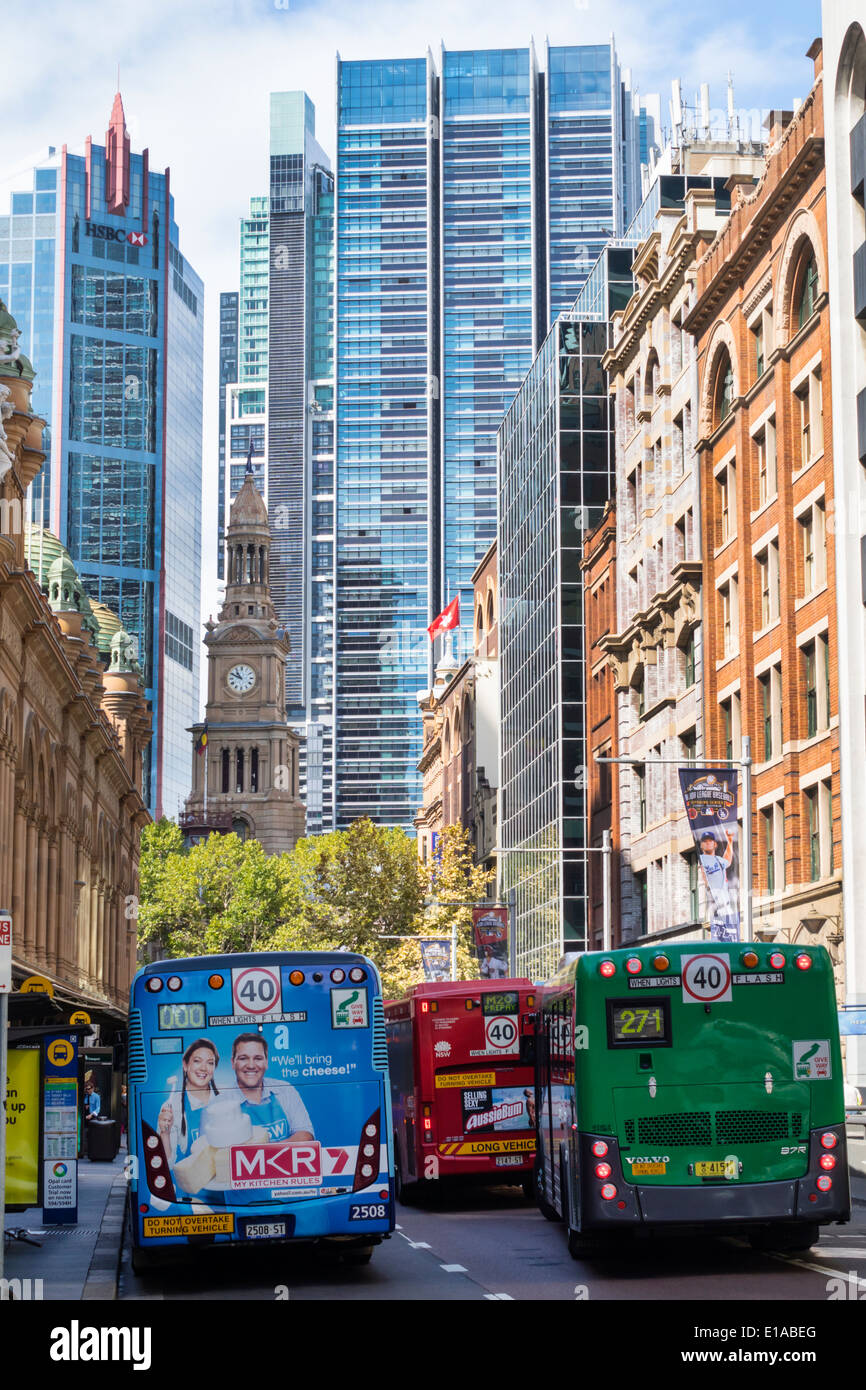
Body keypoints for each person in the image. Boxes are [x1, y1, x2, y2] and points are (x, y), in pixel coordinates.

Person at [228, 1033, 314, 1141]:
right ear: (233, 1063)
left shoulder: (285, 1090)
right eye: (243, 1058)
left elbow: (305, 1136)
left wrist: (265, 1154)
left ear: (266, 1062)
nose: (251, 1065)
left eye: (258, 1058)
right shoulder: (221, 1103)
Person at [157, 1038, 221, 1169]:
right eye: (197, 1061)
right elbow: (166, 1165)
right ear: (185, 1065)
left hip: (226, 1185)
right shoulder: (172, 1106)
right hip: (193, 1187)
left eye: (210, 1063)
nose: (203, 1068)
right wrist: (165, 1134)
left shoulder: (225, 1099)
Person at [698, 827, 739, 939]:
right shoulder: (702, 860)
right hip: (716, 906)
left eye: (710, 841)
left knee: (731, 939)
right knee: (721, 939)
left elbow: (727, 861)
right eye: (705, 841)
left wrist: (730, 841)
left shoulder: (718, 860)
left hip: (726, 906)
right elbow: (704, 879)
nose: (708, 843)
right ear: (701, 845)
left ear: (715, 844)